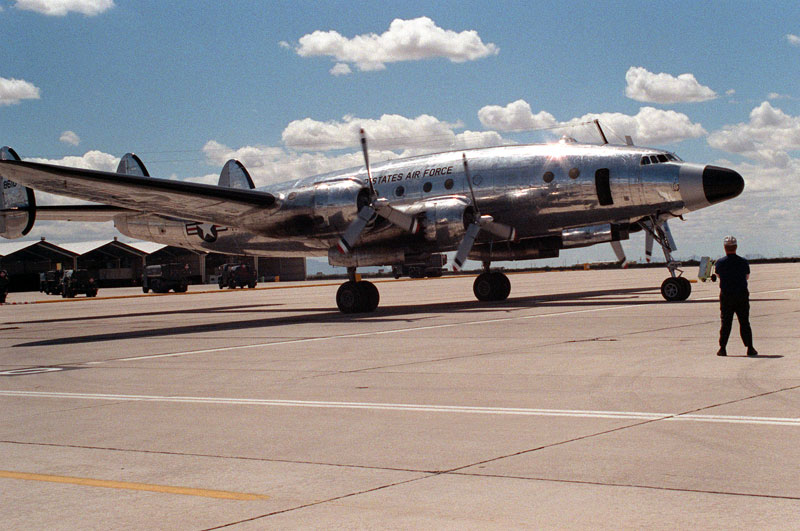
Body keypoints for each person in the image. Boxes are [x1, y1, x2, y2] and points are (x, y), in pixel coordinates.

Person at [714, 236, 757, 357]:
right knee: (744, 322)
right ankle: (750, 348)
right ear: (736, 247)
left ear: (725, 248)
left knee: (726, 322)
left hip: (727, 295)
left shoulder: (720, 262)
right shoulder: (743, 262)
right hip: (741, 295)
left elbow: (718, 274)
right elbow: (747, 276)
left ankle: (722, 348)